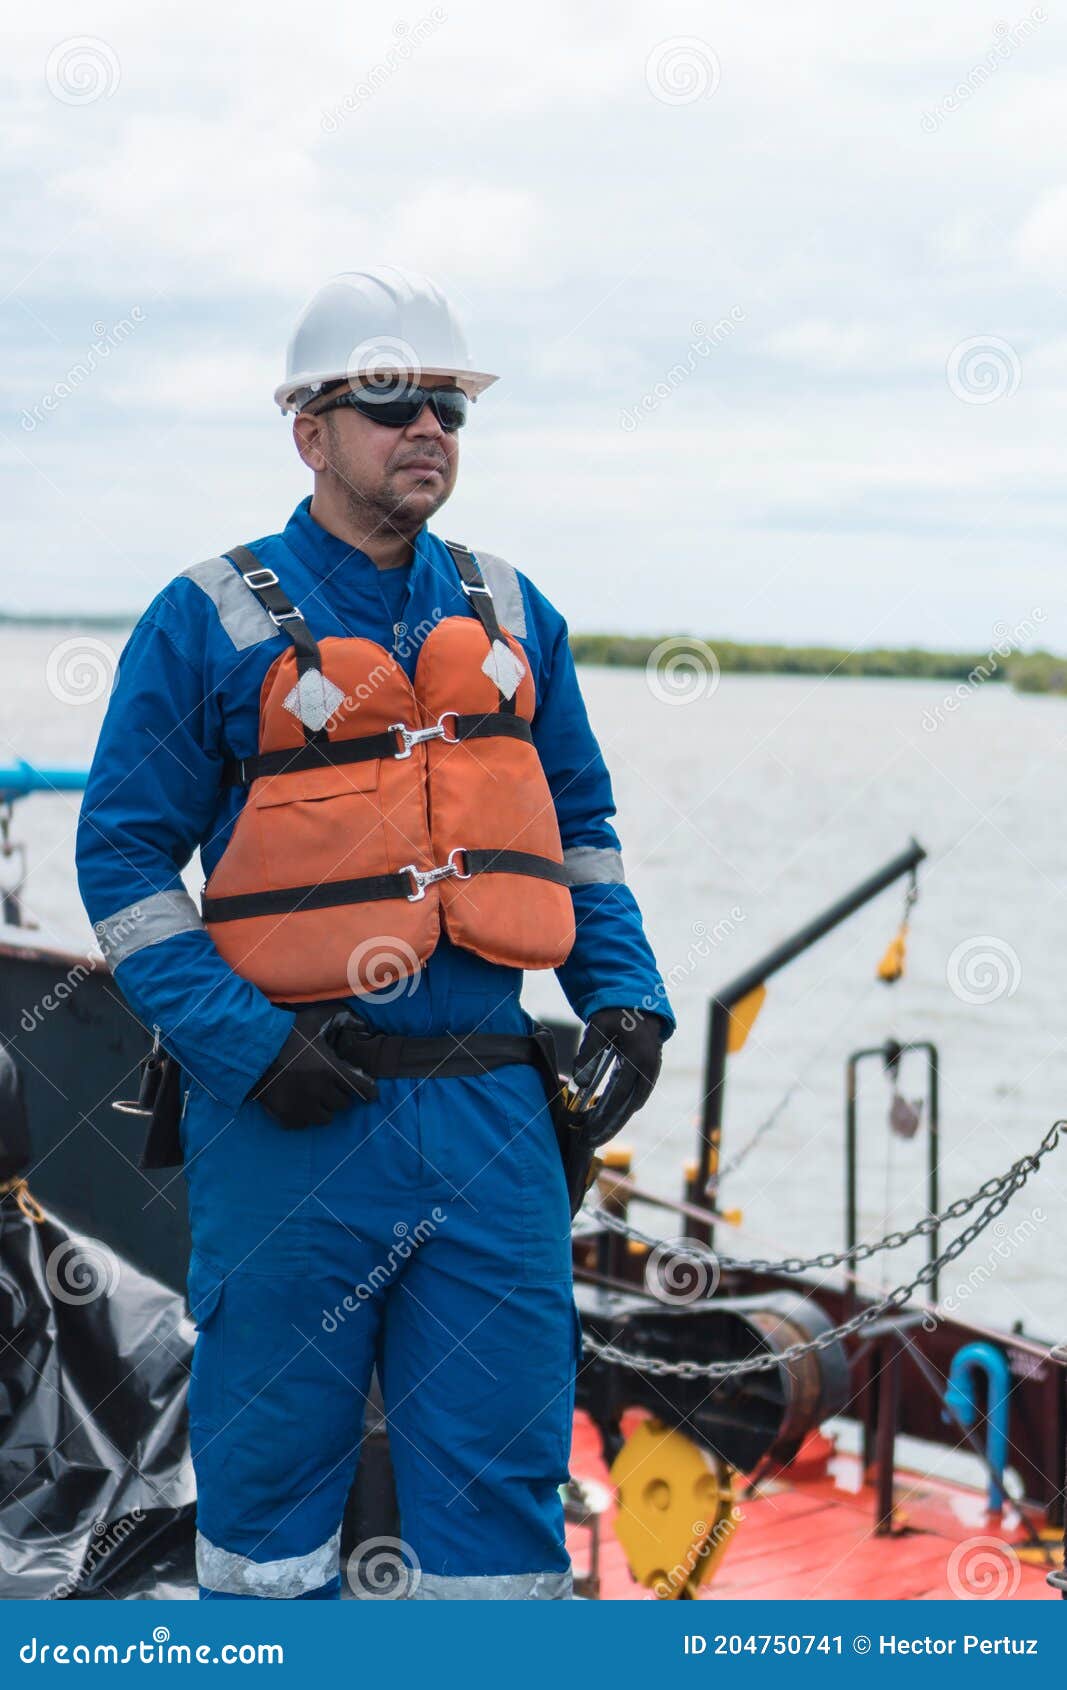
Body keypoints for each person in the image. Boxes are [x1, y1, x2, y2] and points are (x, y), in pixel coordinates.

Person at [76, 265, 672, 1600]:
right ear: (310, 431)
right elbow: (120, 858)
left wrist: (627, 1000)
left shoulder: (516, 612)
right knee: (266, 1502)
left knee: (503, 1494)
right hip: (289, 1121)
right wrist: (247, 1047)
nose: (430, 430)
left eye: (451, 408)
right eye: (394, 402)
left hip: (492, 1119)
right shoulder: (205, 617)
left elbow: (579, 829)